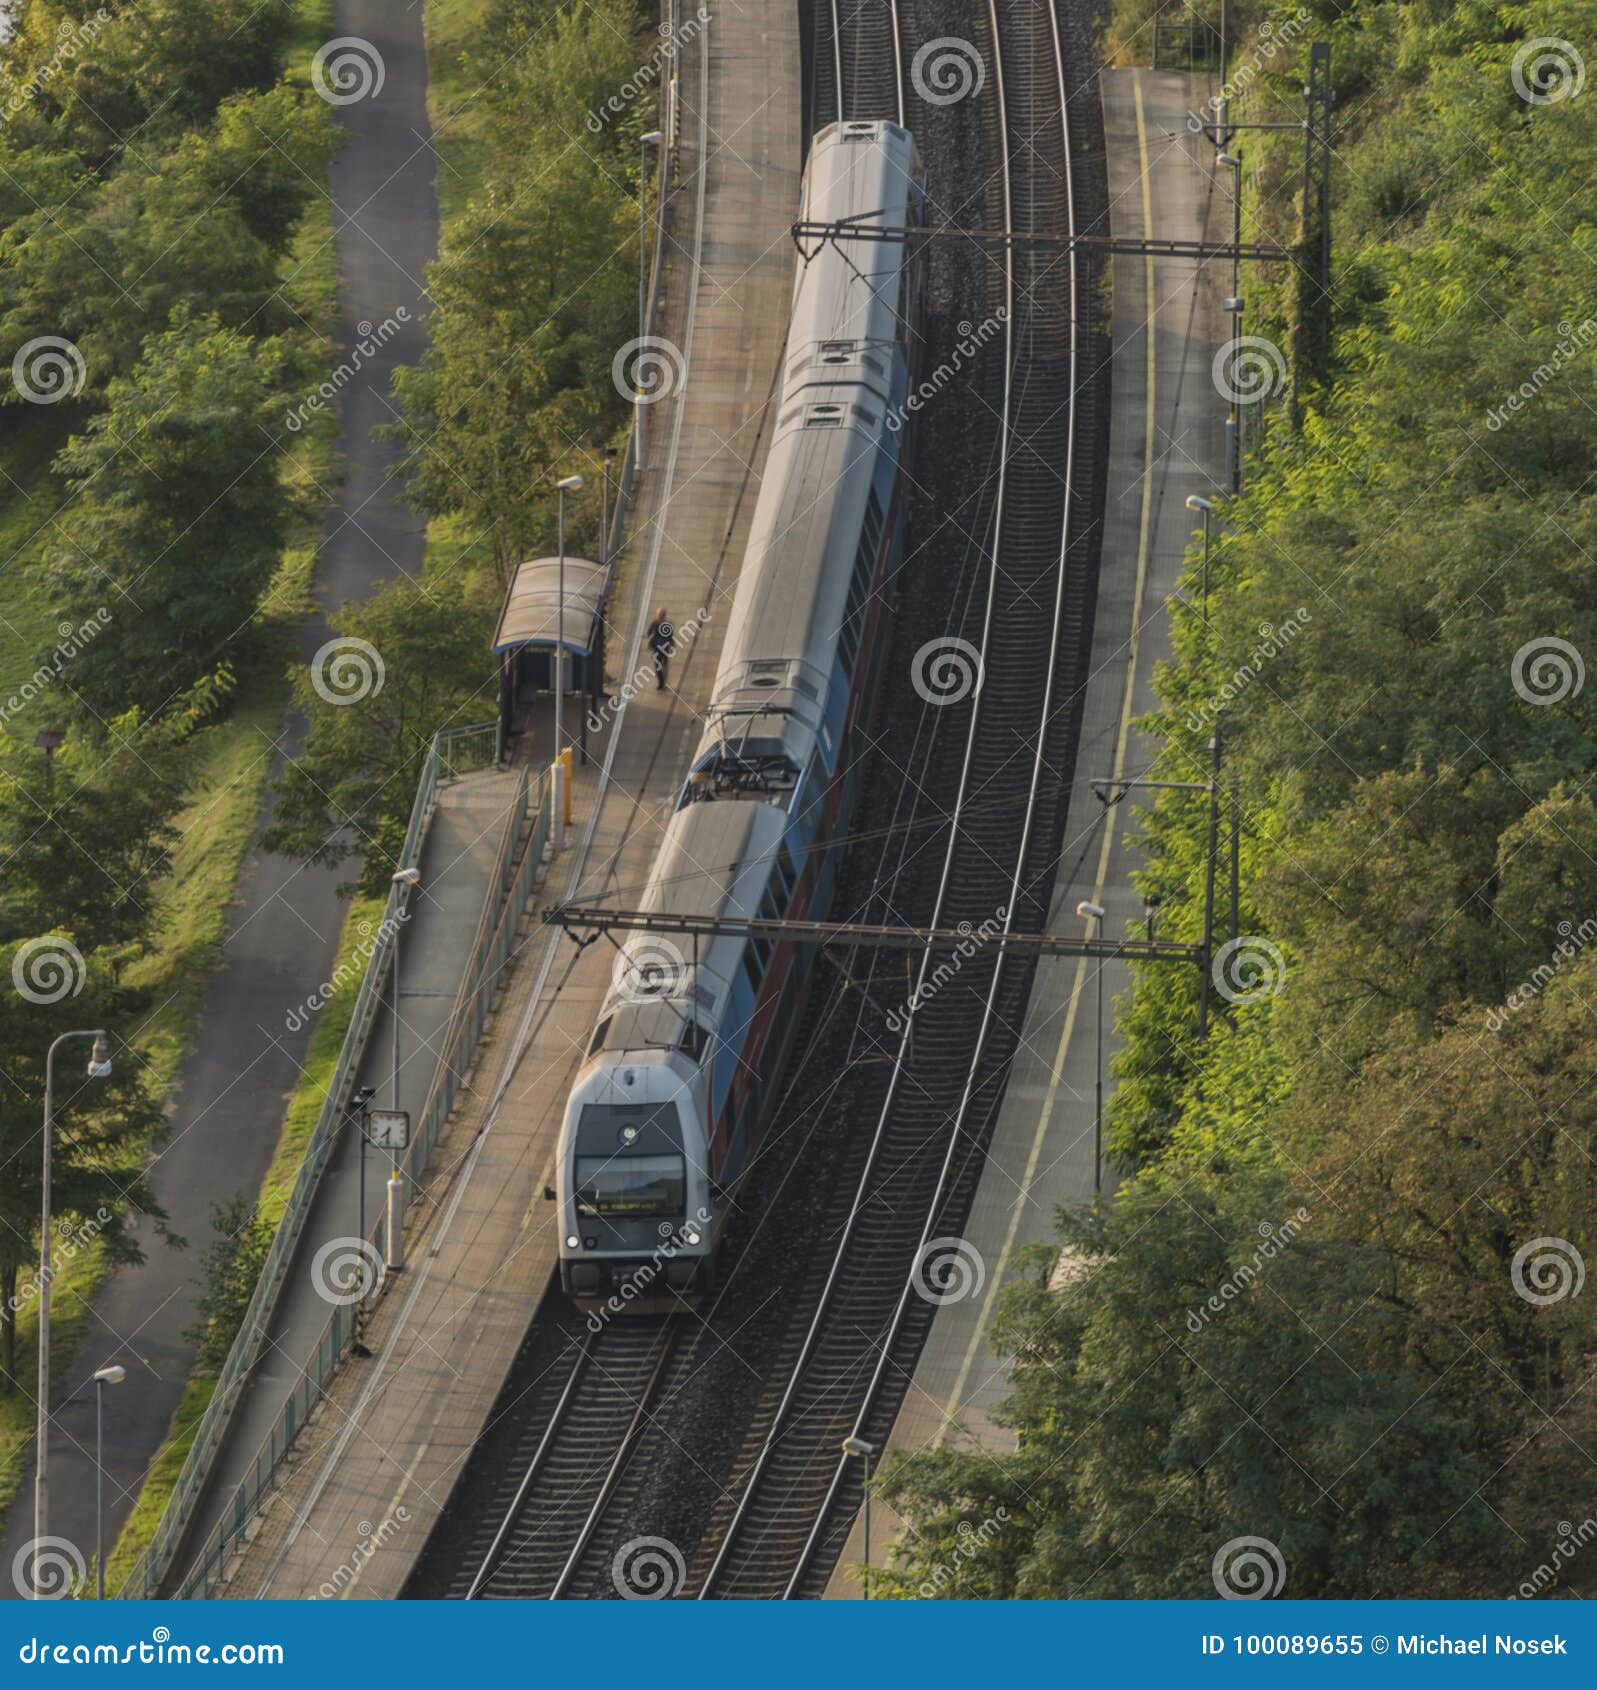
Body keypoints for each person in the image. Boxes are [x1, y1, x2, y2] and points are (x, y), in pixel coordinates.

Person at [648, 608, 673, 690]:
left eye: (661, 615)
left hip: (664, 648)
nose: (660, 616)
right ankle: (661, 682)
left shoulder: (668, 625)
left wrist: (671, 646)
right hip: (656, 648)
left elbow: (671, 637)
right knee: (658, 667)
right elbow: (649, 632)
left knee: (664, 666)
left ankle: (663, 682)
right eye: (659, 614)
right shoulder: (654, 623)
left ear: (664, 615)